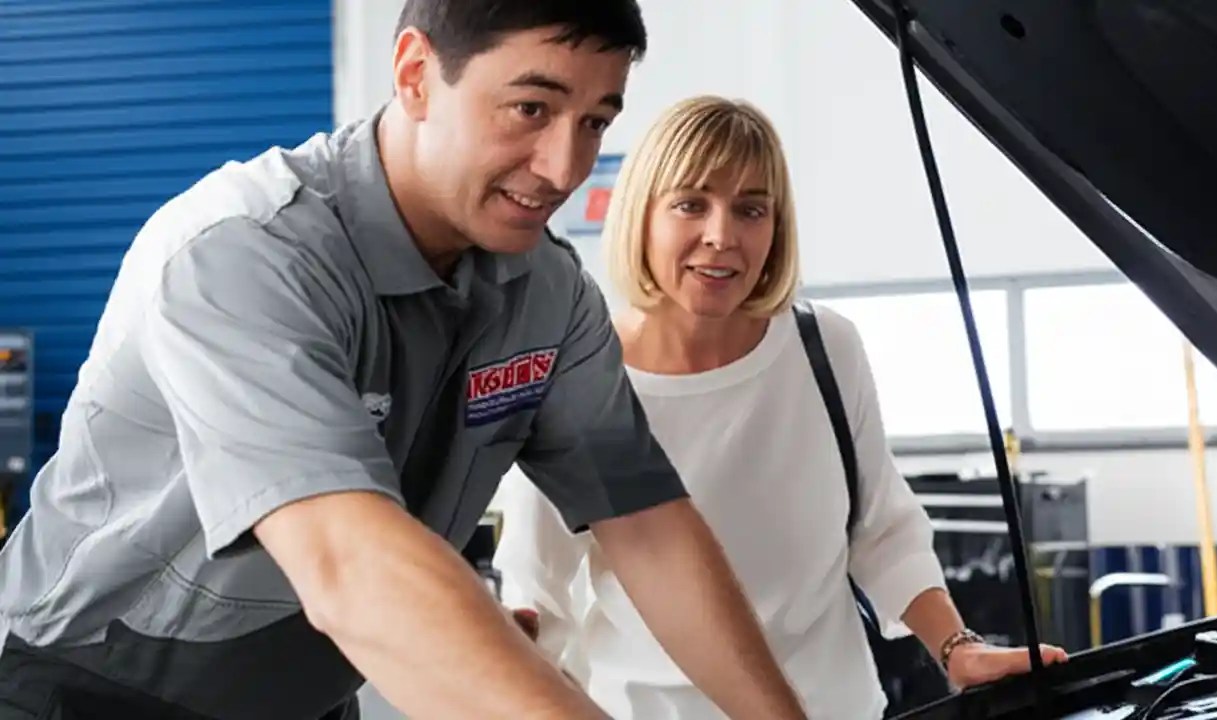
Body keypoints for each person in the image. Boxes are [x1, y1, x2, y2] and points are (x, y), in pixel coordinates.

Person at [0, 5, 812, 720]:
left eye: (596, 121)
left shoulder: (548, 293)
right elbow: (349, 566)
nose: (564, 168)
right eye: (531, 108)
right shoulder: (245, 255)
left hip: (306, 693)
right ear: (417, 74)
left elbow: (648, 527)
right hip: (89, 689)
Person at [491, 95, 1070, 719]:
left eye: (751, 209)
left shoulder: (826, 349)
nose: (722, 235)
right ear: (642, 215)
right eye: (691, 203)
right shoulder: (579, 376)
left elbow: (883, 530)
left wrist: (957, 648)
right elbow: (537, 591)